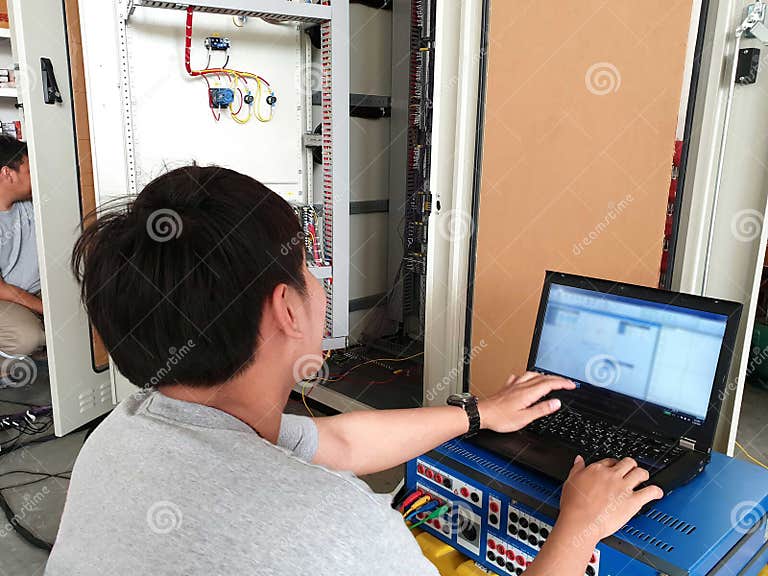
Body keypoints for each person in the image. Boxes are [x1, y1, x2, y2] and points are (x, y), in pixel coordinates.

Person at [46, 166, 662, 575]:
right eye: (309, 267)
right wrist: (581, 527)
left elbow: (337, 440)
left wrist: (478, 413)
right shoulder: (333, 534)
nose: (320, 283)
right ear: (287, 308)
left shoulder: (123, 433)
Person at [0, 136, 45, 361]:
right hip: (3, 298)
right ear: (7, 173)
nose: (36, 177)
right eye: (30, 171)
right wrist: (44, 308)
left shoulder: (29, 204)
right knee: (28, 337)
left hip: (31, 293)